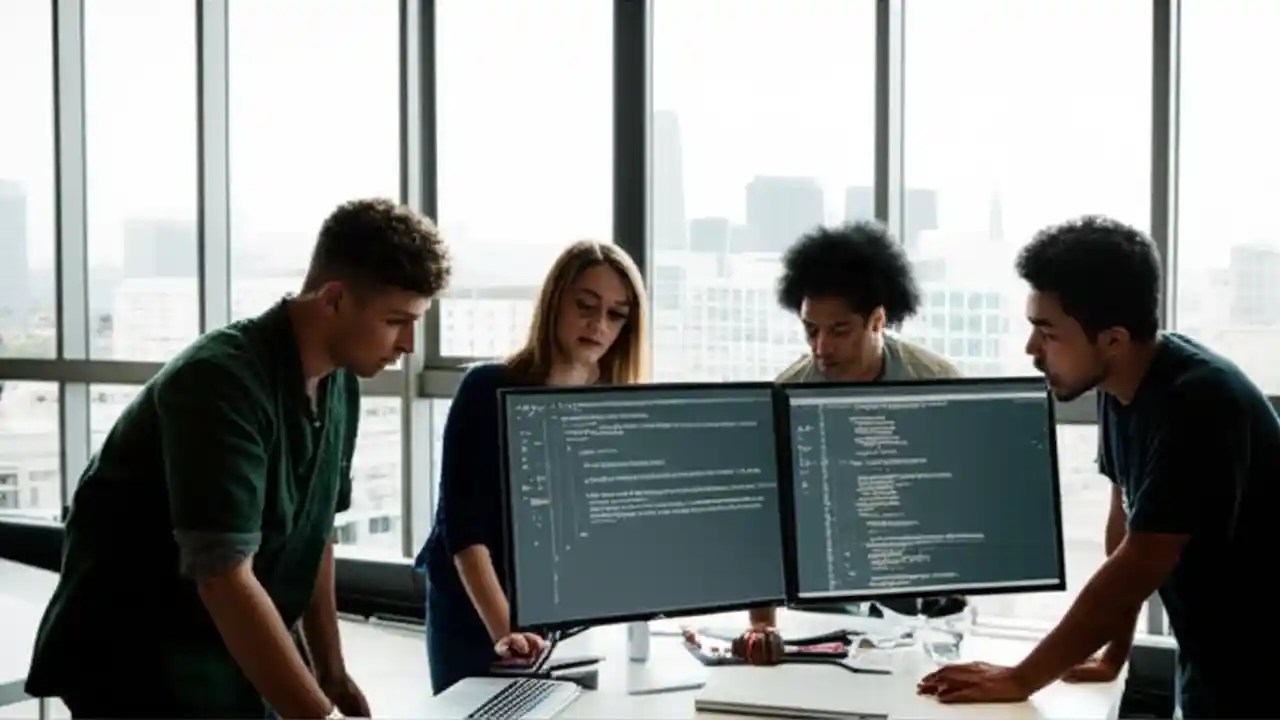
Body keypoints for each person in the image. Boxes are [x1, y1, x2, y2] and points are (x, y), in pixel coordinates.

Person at [24, 198, 452, 719]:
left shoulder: (341, 385)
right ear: (335, 299)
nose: (408, 343)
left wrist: (331, 672)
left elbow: (316, 536)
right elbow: (223, 577)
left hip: (227, 646)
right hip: (137, 658)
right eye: (396, 321)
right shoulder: (218, 381)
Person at [917, 216, 1277, 718]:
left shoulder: (1199, 403)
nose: (1031, 350)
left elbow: (1142, 562)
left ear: (1112, 339)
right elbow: (1126, 523)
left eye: (1047, 332)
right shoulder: (1119, 382)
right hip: (1211, 655)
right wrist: (1115, 650)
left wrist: (1022, 677)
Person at [414, 240, 648, 695]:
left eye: (616, 314)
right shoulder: (486, 388)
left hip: (568, 618)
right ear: (554, 301)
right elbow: (463, 531)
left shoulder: (617, 403)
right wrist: (506, 632)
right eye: (585, 305)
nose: (598, 325)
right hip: (475, 612)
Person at [747, 221, 964, 638]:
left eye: (839, 330)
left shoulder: (939, 382)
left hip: (920, 584)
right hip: (823, 590)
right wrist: (761, 626)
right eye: (811, 329)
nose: (821, 348)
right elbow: (763, 522)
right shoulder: (787, 395)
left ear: (878, 321)